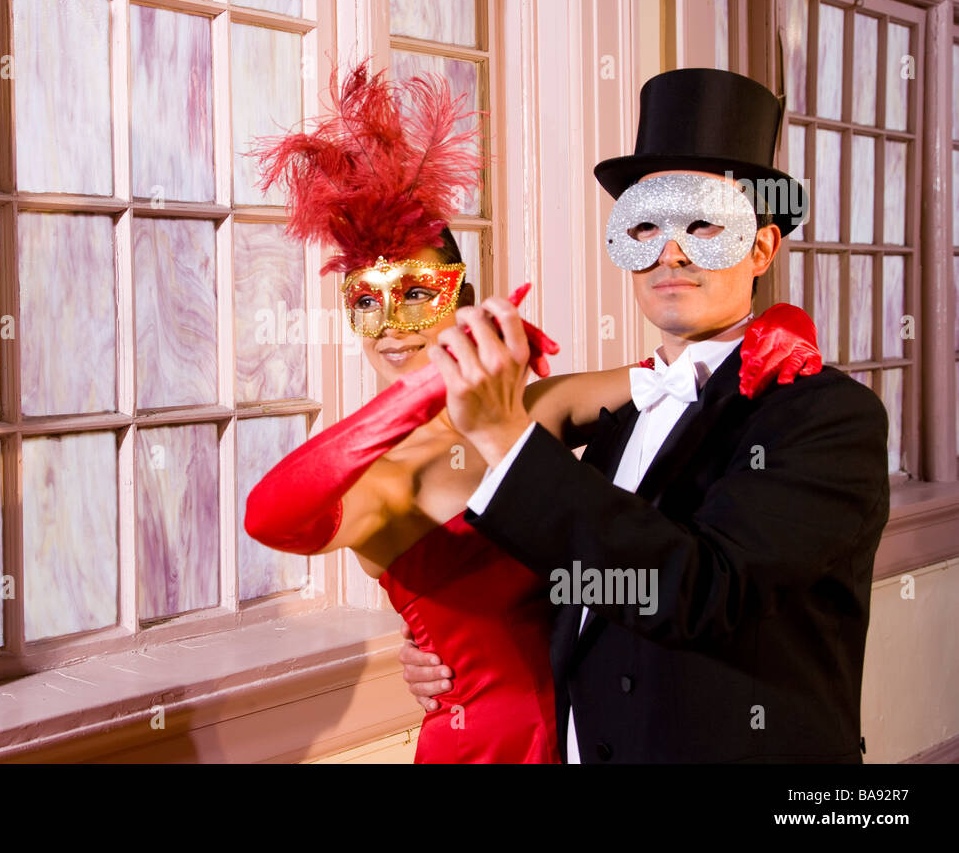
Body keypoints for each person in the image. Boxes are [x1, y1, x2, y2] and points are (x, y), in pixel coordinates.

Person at [244, 64, 824, 763]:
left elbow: (680, 379)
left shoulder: (533, 411)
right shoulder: (382, 482)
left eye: (418, 297)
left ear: (465, 299)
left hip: (600, 731)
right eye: (368, 304)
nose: (393, 328)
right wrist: (428, 392)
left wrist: (784, 322)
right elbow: (271, 515)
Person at [403, 67, 889, 763]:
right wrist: (449, 646)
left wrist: (507, 437)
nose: (670, 252)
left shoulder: (828, 418)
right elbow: (587, 583)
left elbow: (699, 591)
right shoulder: (624, 413)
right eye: (645, 225)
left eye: (703, 225)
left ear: (760, 248)